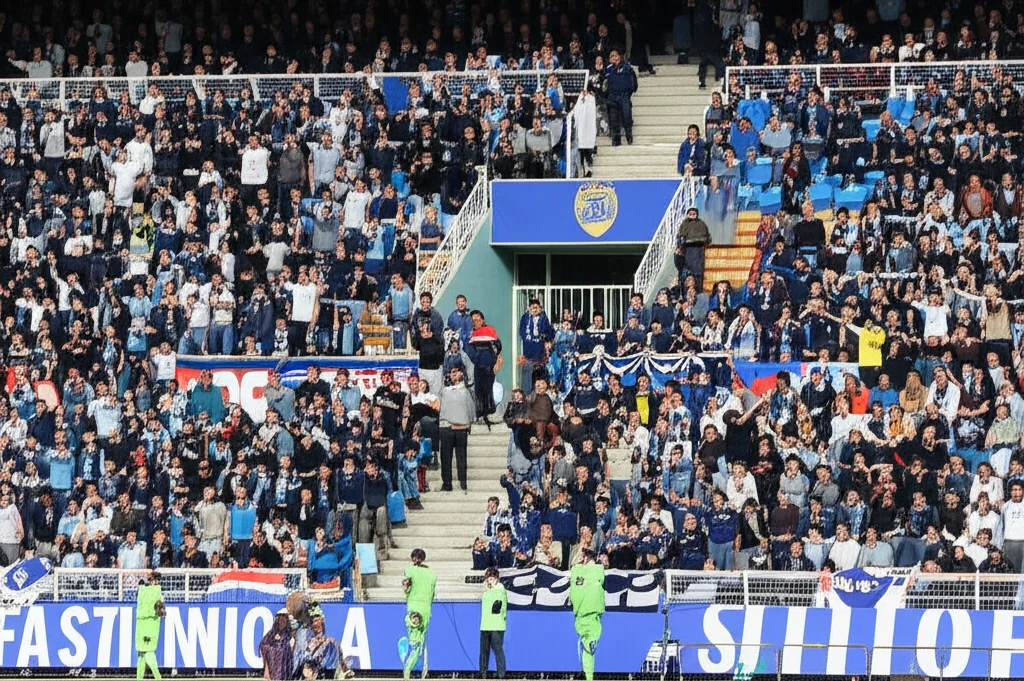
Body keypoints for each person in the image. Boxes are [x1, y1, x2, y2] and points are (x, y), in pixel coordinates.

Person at [569, 548, 605, 681]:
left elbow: (596, 573)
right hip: (579, 615)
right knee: (587, 650)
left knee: (589, 648)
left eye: (582, 555)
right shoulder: (577, 570)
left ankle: (588, 676)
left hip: (591, 615)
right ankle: (587, 676)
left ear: (586, 557)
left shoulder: (597, 570)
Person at [402, 548, 436, 680]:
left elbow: (406, 586)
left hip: (414, 607)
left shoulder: (409, 570)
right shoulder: (432, 574)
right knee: (422, 642)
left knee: (415, 644)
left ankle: (407, 672)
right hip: (426, 609)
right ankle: (423, 672)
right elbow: (432, 593)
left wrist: (407, 592)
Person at [135, 571, 166, 680]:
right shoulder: (157, 592)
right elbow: (161, 611)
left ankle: (139, 678)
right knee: (148, 652)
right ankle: (158, 677)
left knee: (141, 654)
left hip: (140, 624)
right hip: (151, 624)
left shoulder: (142, 590)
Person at [479, 566, 508, 679]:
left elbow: (498, 607)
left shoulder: (500, 590)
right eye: (488, 578)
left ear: (497, 579)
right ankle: (483, 673)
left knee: (498, 651)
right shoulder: (486, 592)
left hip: (496, 625)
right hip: (485, 624)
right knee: (483, 652)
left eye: (492, 578)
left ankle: (501, 674)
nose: (490, 580)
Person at [259, 610, 294, 681]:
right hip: (273, 666)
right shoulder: (272, 633)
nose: (282, 620)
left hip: (285, 666)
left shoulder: (289, 634)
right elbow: (263, 645)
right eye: (281, 618)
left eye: (285, 618)